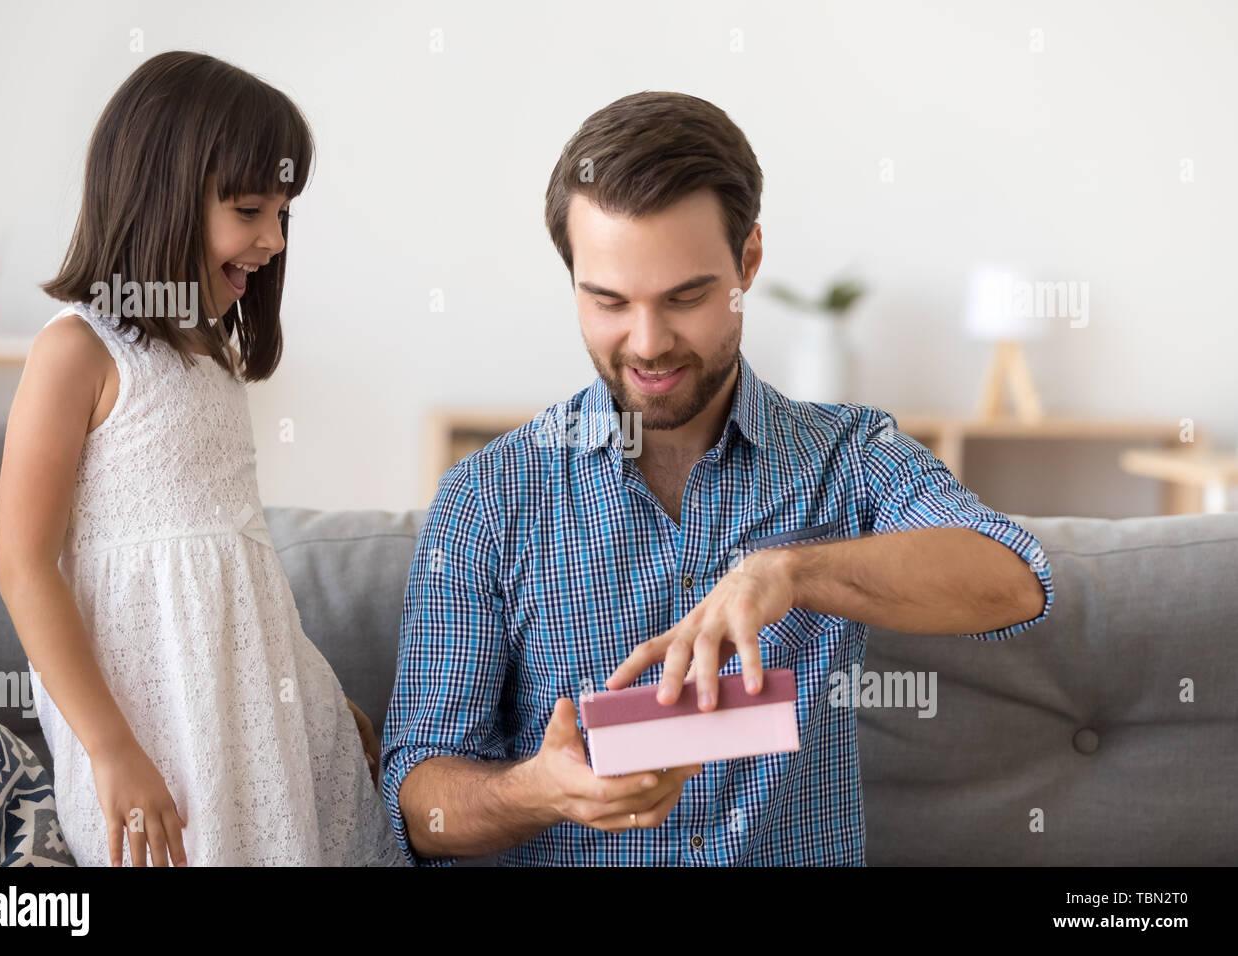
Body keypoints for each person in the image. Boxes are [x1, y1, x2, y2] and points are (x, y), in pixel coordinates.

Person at [381, 90, 1055, 866]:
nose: (648, 342)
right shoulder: (490, 496)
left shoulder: (848, 456)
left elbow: (1015, 581)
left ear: (748, 263)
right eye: (607, 300)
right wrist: (538, 791)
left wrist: (792, 573)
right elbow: (415, 795)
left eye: (686, 297)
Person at [0, 51, 403, 867]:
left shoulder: (213, 359)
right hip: (153, 736)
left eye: (284, 212)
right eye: (250, 208)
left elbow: (238, 564)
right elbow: (24, 565)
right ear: (157, 192)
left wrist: (314, 689)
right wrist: (111, 750)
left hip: (265, 732)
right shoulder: (78, 351)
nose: (273, 238)